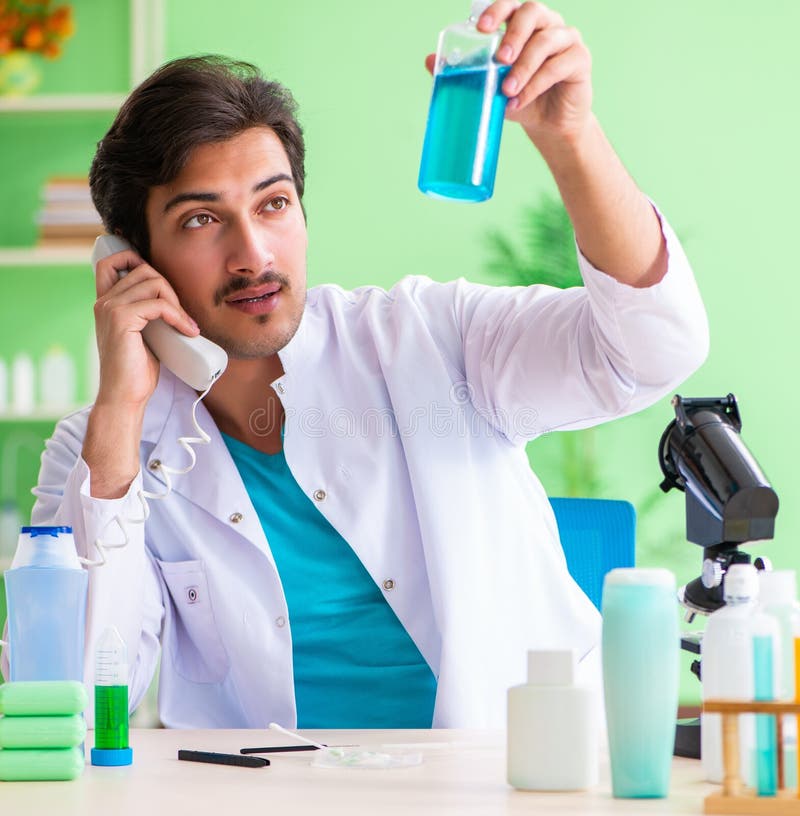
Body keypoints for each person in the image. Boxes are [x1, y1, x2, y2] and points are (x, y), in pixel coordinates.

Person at [20, 1, 708, 728]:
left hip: (516, 777)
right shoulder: (98, 451)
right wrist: (122, 414)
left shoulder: (430, 338)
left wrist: (570, 137)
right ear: (132, 262)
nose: (253, 253)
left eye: (274, 204)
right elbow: (69, 706)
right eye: (201, 219)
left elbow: (654, 350)